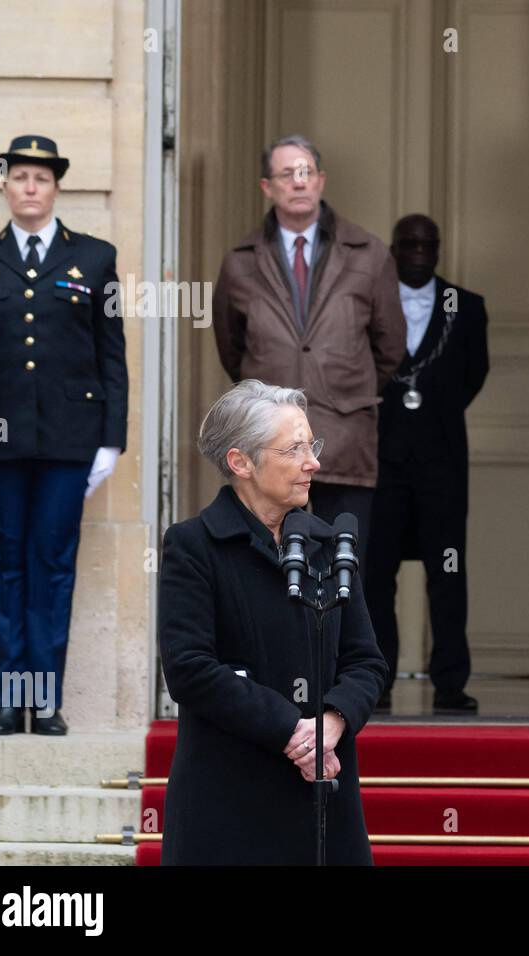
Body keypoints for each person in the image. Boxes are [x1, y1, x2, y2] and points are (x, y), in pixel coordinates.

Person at [158, 380, 387, 865]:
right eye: (295, 449)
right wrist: (292, 731)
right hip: (227, 803)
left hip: (323, 801)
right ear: (241, 462)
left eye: (312, 445)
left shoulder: (329, 545)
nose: (314, 462)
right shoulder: (193, 546)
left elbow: (366, 661)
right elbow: (191, 668)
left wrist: (331, 721)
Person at [0, 135, 128, 736]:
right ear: (5, 185)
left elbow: (112, 357)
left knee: (53, 565)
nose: (30, 187)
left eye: (41, 178)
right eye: (20, 177)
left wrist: (111, 441)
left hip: (68, 441)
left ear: (56, 188)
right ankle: (9, 700)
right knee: (3, 566)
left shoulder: (96, 258)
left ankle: (45, 701)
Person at [211, 134, 406, 558]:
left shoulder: (368, 253)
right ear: (267, 186)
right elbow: (232, 347)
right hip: (268, 444)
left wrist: (342, 386)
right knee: (268, 565)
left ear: (320, 180)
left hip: (345, 438)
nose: (298, 183)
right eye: (287, 174)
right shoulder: (240, 261)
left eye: (306, 173)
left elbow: (390, 346)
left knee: (344, 570)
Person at [367, 214, 489, 714]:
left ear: (438, 250)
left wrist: (433, 407)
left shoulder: (468, 306)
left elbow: (473, 374)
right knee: (376, 575)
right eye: (409, 244)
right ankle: (375, 681)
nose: (418, 251)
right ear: (394, 249)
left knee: (447, 572)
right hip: (381, 458)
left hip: (441, 461)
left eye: (427, 244)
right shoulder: (370, 302)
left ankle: (450, 684)